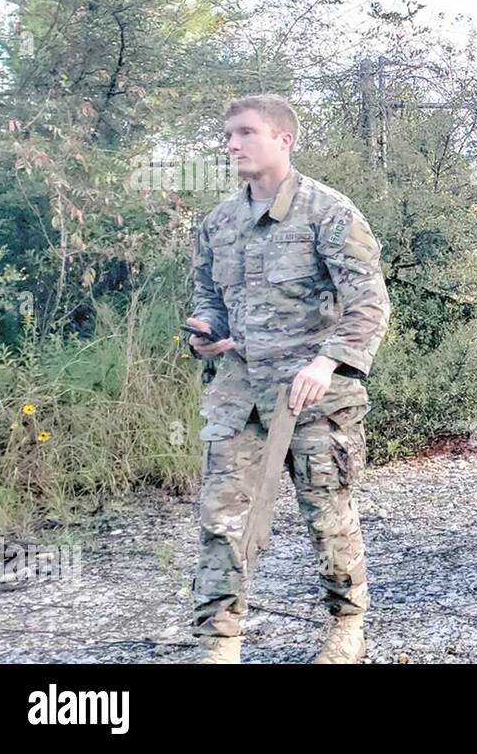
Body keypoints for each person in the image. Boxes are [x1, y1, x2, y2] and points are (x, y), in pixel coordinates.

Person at [186, 94, 390, 663]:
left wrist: (326, 363)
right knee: (222, 519)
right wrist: (206, 328)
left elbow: (369, 304)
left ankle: (347, 626)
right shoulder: (220, 223)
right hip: (240, 395)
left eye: (246, 133)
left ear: (284, 140)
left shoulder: (330, 213)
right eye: (229, 134)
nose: (231, 145)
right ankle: (219, 641)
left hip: (315, 399)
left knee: (327, 517)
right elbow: (210, 297)